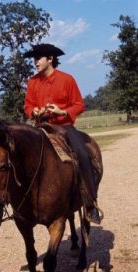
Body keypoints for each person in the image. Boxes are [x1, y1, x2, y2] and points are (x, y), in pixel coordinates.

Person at [24, 43, 101, 224]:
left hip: (64, 126)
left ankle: (90, 204)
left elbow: (79, 105)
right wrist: (34, 111)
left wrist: (62, 112)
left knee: (82, 155)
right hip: (41, 128)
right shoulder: (32, 82)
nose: (35, 62)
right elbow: (28, 105)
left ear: (50, 59)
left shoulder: (67, 79)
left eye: (38, 58)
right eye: (34, 59)